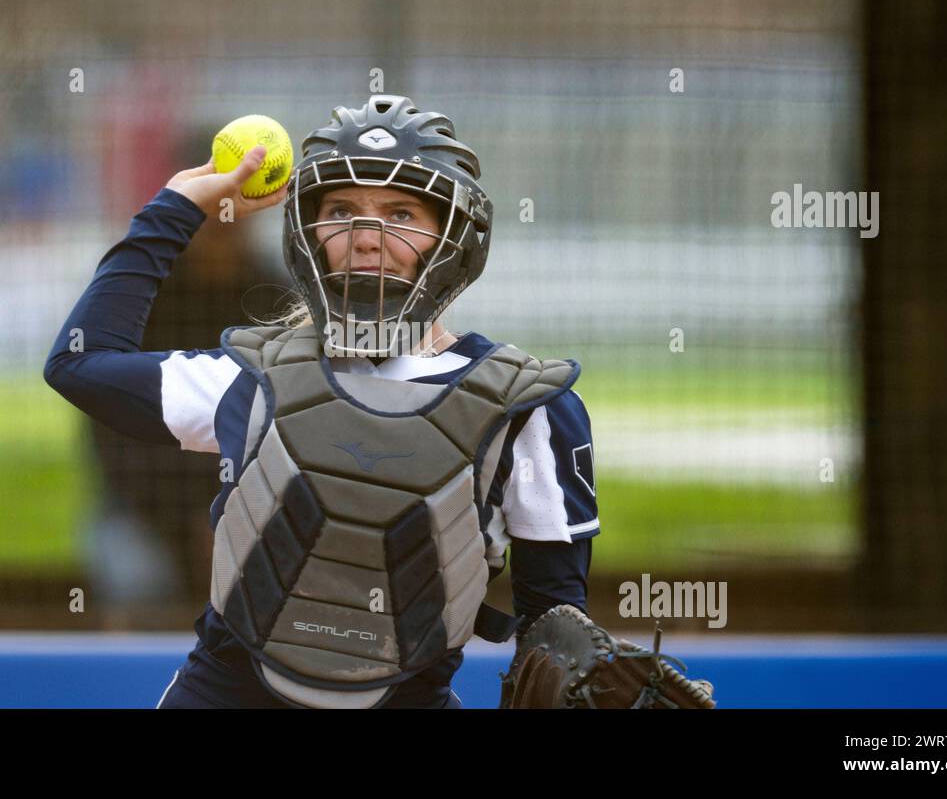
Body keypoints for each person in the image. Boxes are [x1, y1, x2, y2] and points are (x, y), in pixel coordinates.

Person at [44, 95, 600, 709]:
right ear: (308, 233)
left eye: (401, 212)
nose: (367, 236)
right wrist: (175, 208)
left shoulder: (526, 410)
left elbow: (553, 635)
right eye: (341, 211)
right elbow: (79, 364)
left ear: (455, 239)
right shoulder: (252, 377)